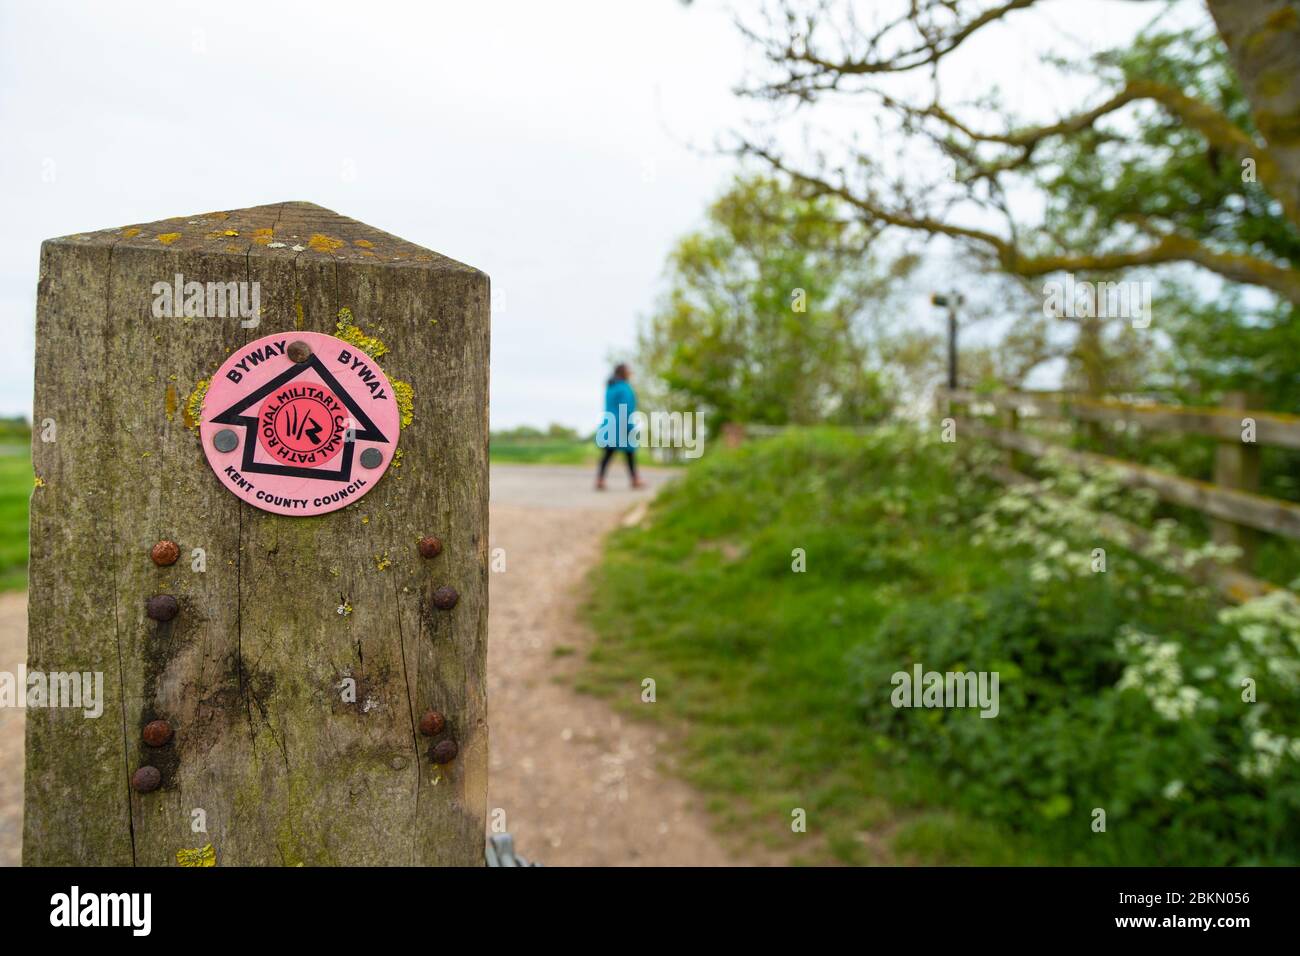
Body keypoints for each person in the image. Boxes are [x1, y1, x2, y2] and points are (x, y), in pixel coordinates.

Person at [596, 363, 644, 490]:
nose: (630, 373)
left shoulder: (610, 387)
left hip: (609, 423)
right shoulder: (624, 388)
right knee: (630, 453)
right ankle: (635, 479)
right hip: (622, 423)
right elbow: (626, 407)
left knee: (608, 453)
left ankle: (599, 479)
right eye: (628, 371)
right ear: (623, 373)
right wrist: (629, 426)